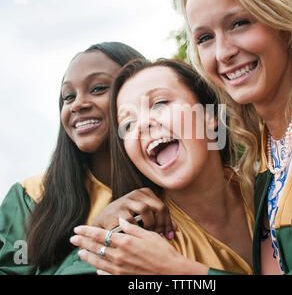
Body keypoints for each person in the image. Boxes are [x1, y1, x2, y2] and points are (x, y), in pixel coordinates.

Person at [71, 0, 292, 275]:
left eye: (239, 23)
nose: (222, 52)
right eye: (204, 38)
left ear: (210, 115)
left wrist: (180, 273)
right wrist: (95, 238)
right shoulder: (268, 152)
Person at [71, 58, 254, 274]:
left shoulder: (270, 190)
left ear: (210, 115)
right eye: (128, 124)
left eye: (159, 103)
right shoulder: (134, 250)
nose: (143, 125)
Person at [0, 41, 146, 274]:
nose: (77, 104)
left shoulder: (175, 187)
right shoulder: (29, 198)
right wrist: (100, 235)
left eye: (98, 88)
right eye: (68, 97)